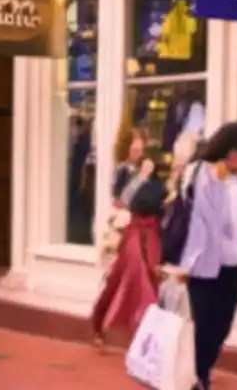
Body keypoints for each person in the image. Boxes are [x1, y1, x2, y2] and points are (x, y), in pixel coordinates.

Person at [176, 122, 237, 390]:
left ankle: (202, 371)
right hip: (202, 264)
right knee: (204, 323)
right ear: (230, 150)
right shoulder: (201, 172)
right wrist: (217, 179)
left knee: (223, 323)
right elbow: (209, 219)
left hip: (233, 263)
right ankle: (198, 377)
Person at [91, 125, 165, 346]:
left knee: (146, 275)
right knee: (135, 275)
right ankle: (140, 328)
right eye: (134, 142)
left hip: (150, 229)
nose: (138, 146)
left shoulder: (151, 169)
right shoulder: (123, 171)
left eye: (141, 141)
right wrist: (142, 177)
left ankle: (134, 326)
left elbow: (158, 196)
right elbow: (123, 199)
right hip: (131, 230)